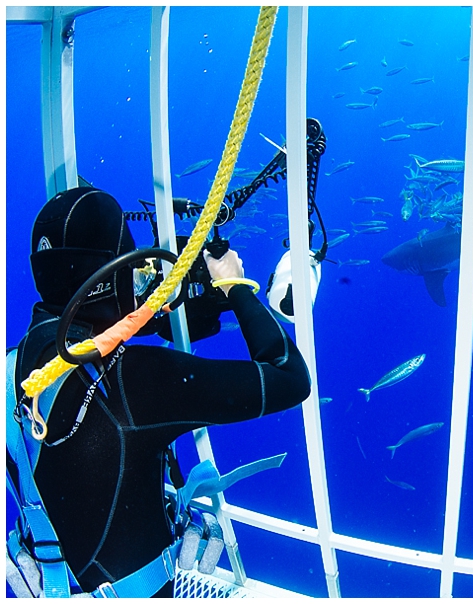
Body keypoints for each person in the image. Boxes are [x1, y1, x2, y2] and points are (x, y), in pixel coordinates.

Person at [6, 187, 312, 597]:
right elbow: (289, 377)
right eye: (130, 272)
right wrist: (233, 285)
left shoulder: (15, 370)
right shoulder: (134, 382)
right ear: (106, 276)